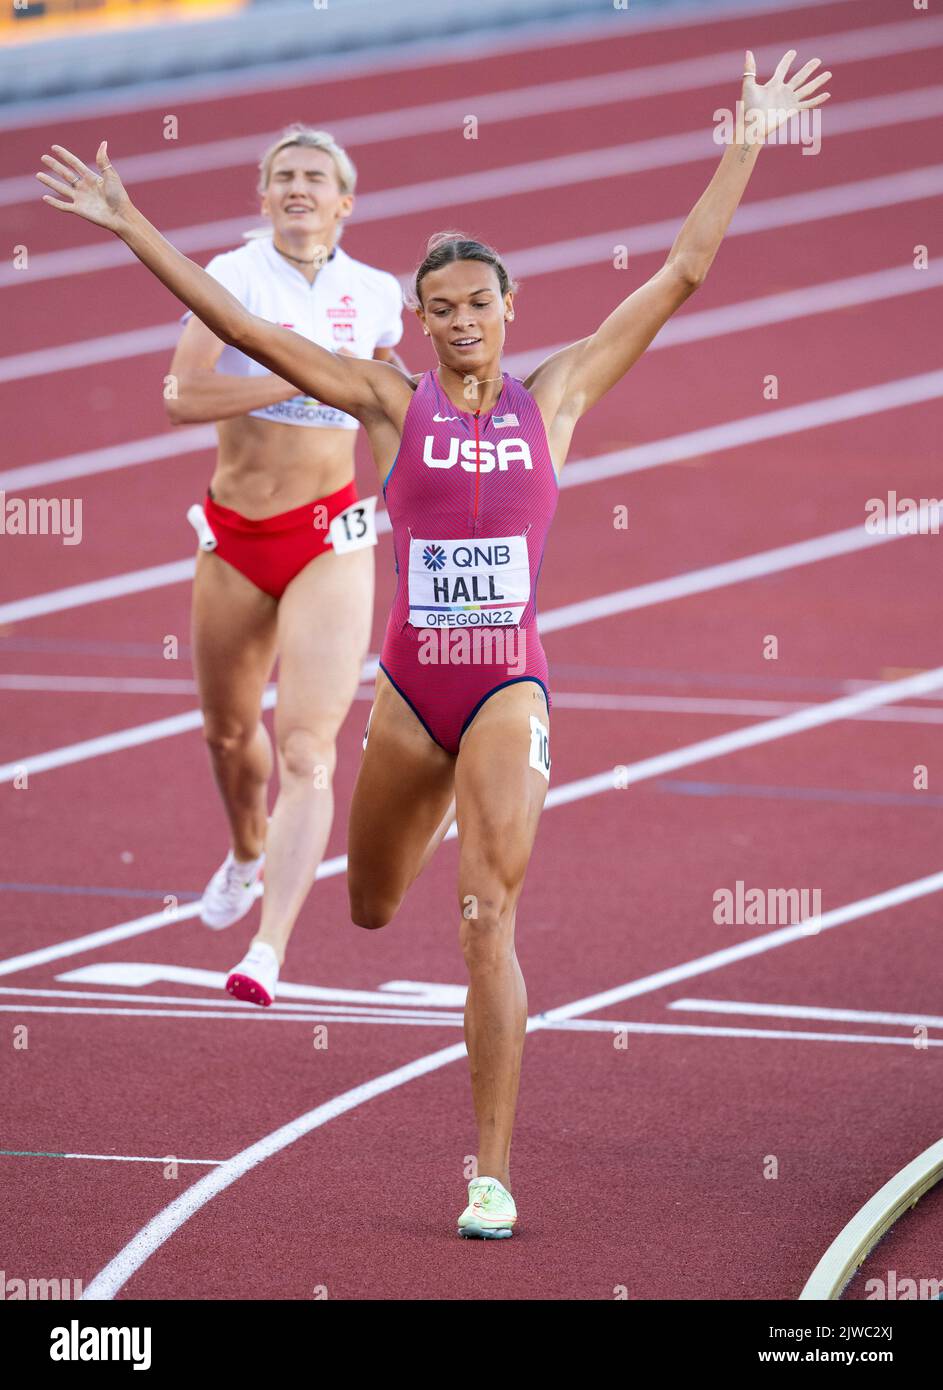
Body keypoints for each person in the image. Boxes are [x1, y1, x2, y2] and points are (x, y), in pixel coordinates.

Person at [37, 48, 831, 1237]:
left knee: (484, 920)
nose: (462, 323)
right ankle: (438, 809)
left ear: (510, 311)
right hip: (411, 695)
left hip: (507, 686)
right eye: (442, 309)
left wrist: (749, 135)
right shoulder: (386, 400)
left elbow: (681, 272)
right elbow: (238, 321)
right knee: (368, 904)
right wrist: (129, 223)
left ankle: (490, 1175)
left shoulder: (555, 397)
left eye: (479, 305)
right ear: (420, 322)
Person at [164, 126, 407, 1006]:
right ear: (263, 198)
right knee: (230, 736)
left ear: (345, 202)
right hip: (235, 539)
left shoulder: (375, 294)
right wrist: (296, 374)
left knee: (308, 751)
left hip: (330, 537)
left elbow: (386, 393)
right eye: (283, 176)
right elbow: (182, 395)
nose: (298, 187)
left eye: (315, 176)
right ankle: (245, 852)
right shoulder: (232, 278)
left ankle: (266, 951)